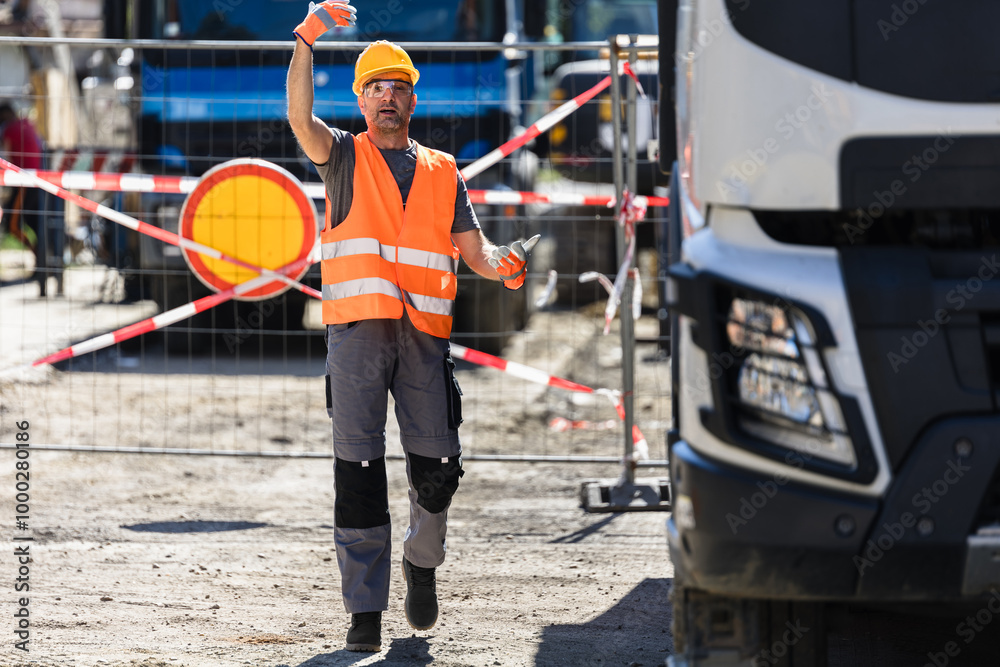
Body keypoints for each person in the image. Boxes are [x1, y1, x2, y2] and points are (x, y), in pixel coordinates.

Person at [286, 1, 538, 654]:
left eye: (398, 86)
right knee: (359, 470)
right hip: (358, 339)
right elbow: (297, 117)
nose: (387, 96)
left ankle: (421, 562)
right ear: (361, 99)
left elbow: (473, 249)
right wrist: (306, 42)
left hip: (425, 338)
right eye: (375, 86)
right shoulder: (339, 156)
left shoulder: (443, 170)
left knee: (439, 468)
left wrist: (501, 265)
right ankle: (364, 609)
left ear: (412, 100)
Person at [0, 101, 51, 295]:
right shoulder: (26, 124)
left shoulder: (9, 129)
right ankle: (41, 261)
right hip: (36, 180)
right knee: (33, 223)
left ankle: (39, 258)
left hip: (23, 182)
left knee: (13, 226)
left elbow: (6, 157)